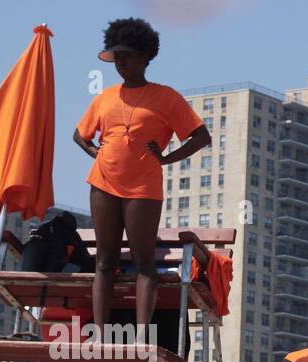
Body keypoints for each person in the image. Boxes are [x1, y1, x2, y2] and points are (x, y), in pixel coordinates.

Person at [73, 18, 211, 345]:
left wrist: (165, 159)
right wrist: (97, 152)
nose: (121, 62)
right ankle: (99, 336)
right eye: (116, 56)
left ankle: (140, 337)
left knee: (143, 262)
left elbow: (200, 136)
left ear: (145, 57)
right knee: (104, 262)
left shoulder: (166, 97)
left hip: (143, 188)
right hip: (103, 182)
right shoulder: (104, 97)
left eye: (128, 56)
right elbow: (79, 134)